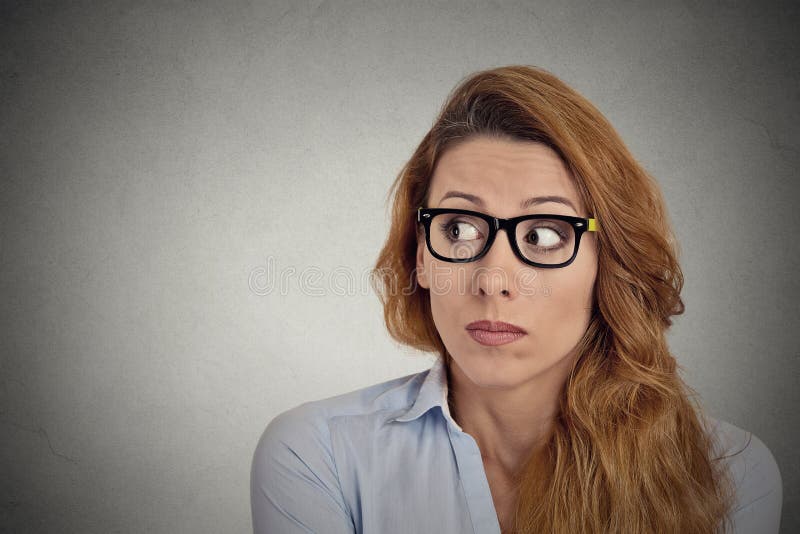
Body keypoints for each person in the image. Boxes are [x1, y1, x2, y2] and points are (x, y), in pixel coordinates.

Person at [250, 65, 783, 533]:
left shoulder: (727, 475)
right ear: (420, 257)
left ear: (607, 264)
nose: (492, 280)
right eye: (458, 227)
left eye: (544, 234)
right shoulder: (318, 456)